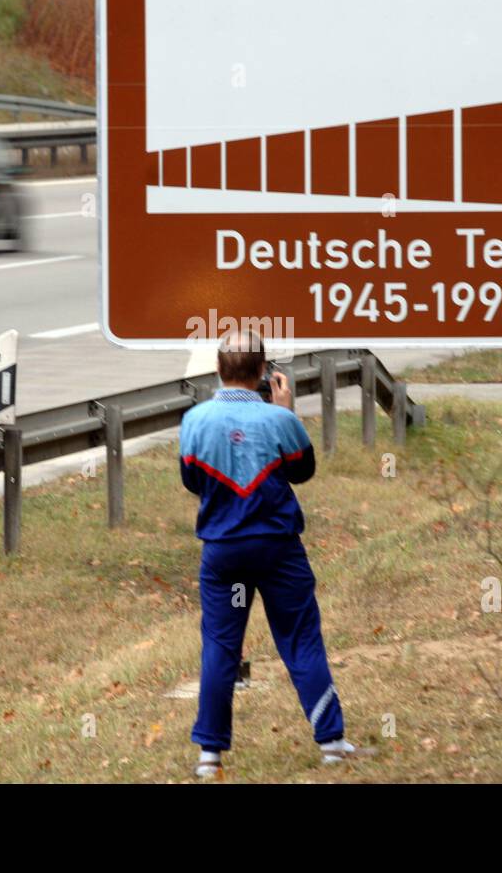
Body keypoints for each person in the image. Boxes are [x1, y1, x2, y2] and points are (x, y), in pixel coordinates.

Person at [178, 329, 369, 778]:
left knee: (221, 646)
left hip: (223, 554)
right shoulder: (279, 420)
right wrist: (285, 413)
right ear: (263, 372)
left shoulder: (195, 421)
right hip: (279, 550)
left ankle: (209, 756)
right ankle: (332, 742)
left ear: (219, 370)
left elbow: (192, 482)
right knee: (300, 639)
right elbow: (303, 472)